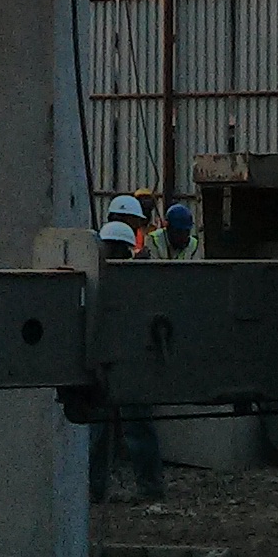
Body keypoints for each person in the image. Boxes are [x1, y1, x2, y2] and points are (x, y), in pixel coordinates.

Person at [86, 212, 166, 510]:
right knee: (117, 430)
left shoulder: (111, 280)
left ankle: (106, 489)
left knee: (121, 429)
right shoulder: (126, 279)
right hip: (119, 363)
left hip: (120, 363)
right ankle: (140, 486)